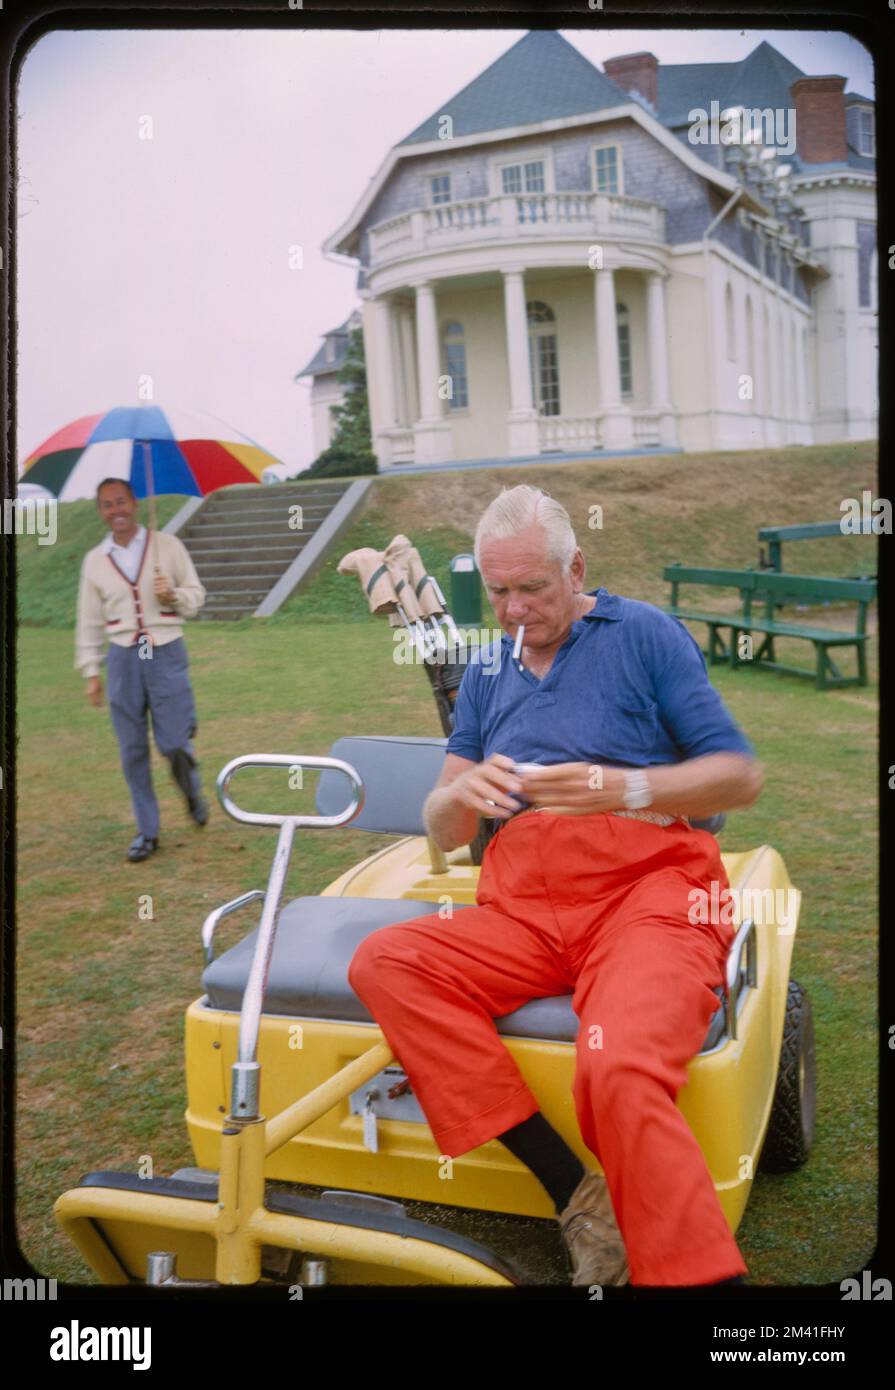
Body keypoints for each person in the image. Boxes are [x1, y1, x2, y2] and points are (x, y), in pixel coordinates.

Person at [348, 484, 763, 1288]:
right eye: (496, 592)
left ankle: (709, 1287)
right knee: (386, 963)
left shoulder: (643, 635)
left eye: (531, 589)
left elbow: (737, 776)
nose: (511, 611)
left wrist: (624, 790)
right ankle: (570, 1190)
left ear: (575, 568)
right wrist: (453, 800)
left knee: (614, 1066)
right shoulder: (487, 672)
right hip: (526, 909)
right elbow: (442, 829)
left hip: (647, 895)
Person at [75, 477, 208, 861]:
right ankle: (147, 831)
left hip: (164, 651)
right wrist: (90, 670)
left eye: (121, 501)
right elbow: (89, 620)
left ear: (134, 503)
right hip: (123, 657)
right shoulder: (95, 560)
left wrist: (174, 595)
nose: (116, 510)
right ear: (100, 511)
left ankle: (191, 790)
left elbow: (196, 596)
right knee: (132, 750)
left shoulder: (168, 547)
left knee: (173, 742)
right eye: (106, 504)